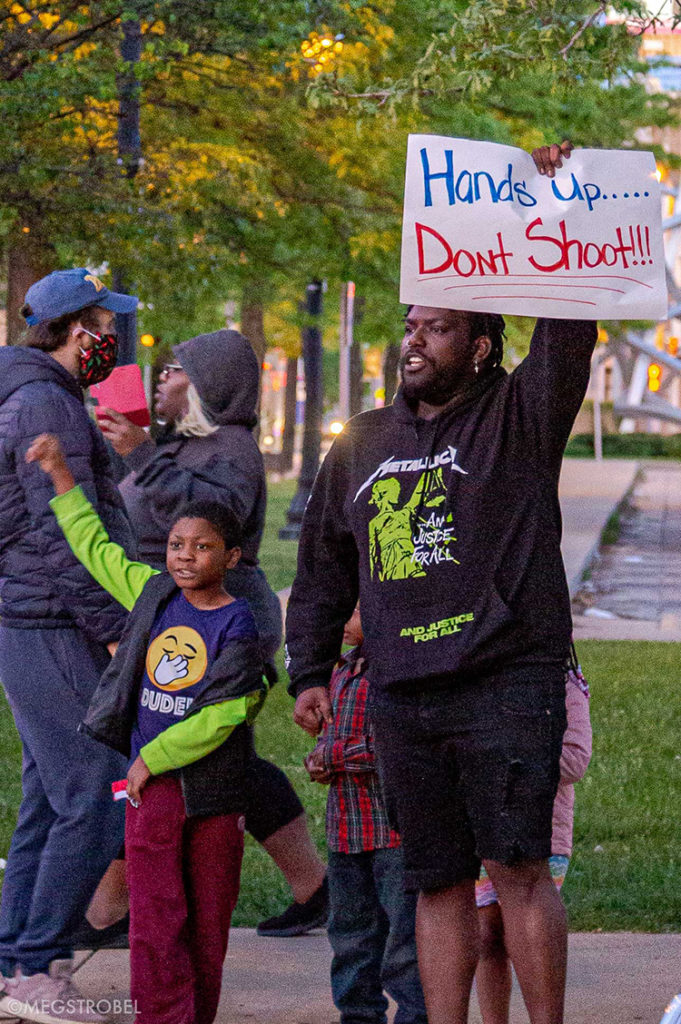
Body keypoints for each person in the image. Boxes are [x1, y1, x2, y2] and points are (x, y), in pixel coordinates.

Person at [287, 140, 597, 1024]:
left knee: (518, 870)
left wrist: (552, 204)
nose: (412, 338)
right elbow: (321, 565)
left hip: (507, 680)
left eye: (436, 325)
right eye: (410, 324)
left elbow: (569, 331)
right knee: (435, 881)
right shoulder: (363, 441)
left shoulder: (517, 416)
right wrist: (310, 670)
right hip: (402, 692)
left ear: (482, 342)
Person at [89, 328, 328, 937]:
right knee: (219, 761)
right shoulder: (188, 446)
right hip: (173, 617)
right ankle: (317, 887)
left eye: (174, 371)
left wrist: (141, 454)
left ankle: (112, 905)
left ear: (207, 387)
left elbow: (207, 518)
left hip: (216, 621)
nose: (162, 379)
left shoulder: (234, 449)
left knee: (163, 754)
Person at [23, 432, 268, 1024]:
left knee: (208, 919)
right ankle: (160, 1016)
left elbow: (225, 713)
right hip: (151, 793)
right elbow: (96, 549)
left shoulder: (242, 625)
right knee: (156, 918)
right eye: (177, 544)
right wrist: (60, 476)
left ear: (231, 558)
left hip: (209, 791)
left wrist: (152, 757)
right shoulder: (154, 596)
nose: (184, 556)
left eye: (202, 547)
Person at [0, 268, 137, 1022]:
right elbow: (61, 532)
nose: (111, 338)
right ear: (70, 329)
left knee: (50, 801)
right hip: (50, 619)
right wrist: (115, 630)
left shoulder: (40, 396)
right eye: (101, 323)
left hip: (34, 619)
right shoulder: (42, 402)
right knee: (97, 791)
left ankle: (16, 959)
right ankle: (33, 965)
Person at [305, 607, 427, 1024]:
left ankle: (416, 1014)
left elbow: (393, 743)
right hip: (346, 831)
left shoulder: (400, 667)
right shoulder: (341, 669)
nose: (341, 614)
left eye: (354, 607)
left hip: (393, 832)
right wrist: (320, 760)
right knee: (351, 936)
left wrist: (331, 756)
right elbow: (336, 737)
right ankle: (357, 1014)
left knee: (404, 941)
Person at [475, 654, 592, 1024]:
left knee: (524, 930)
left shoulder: (565, 686)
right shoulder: (476, 685)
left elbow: (574, 760)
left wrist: (508, 759)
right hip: (481, 830)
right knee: (486, 934)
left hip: (542, 836)